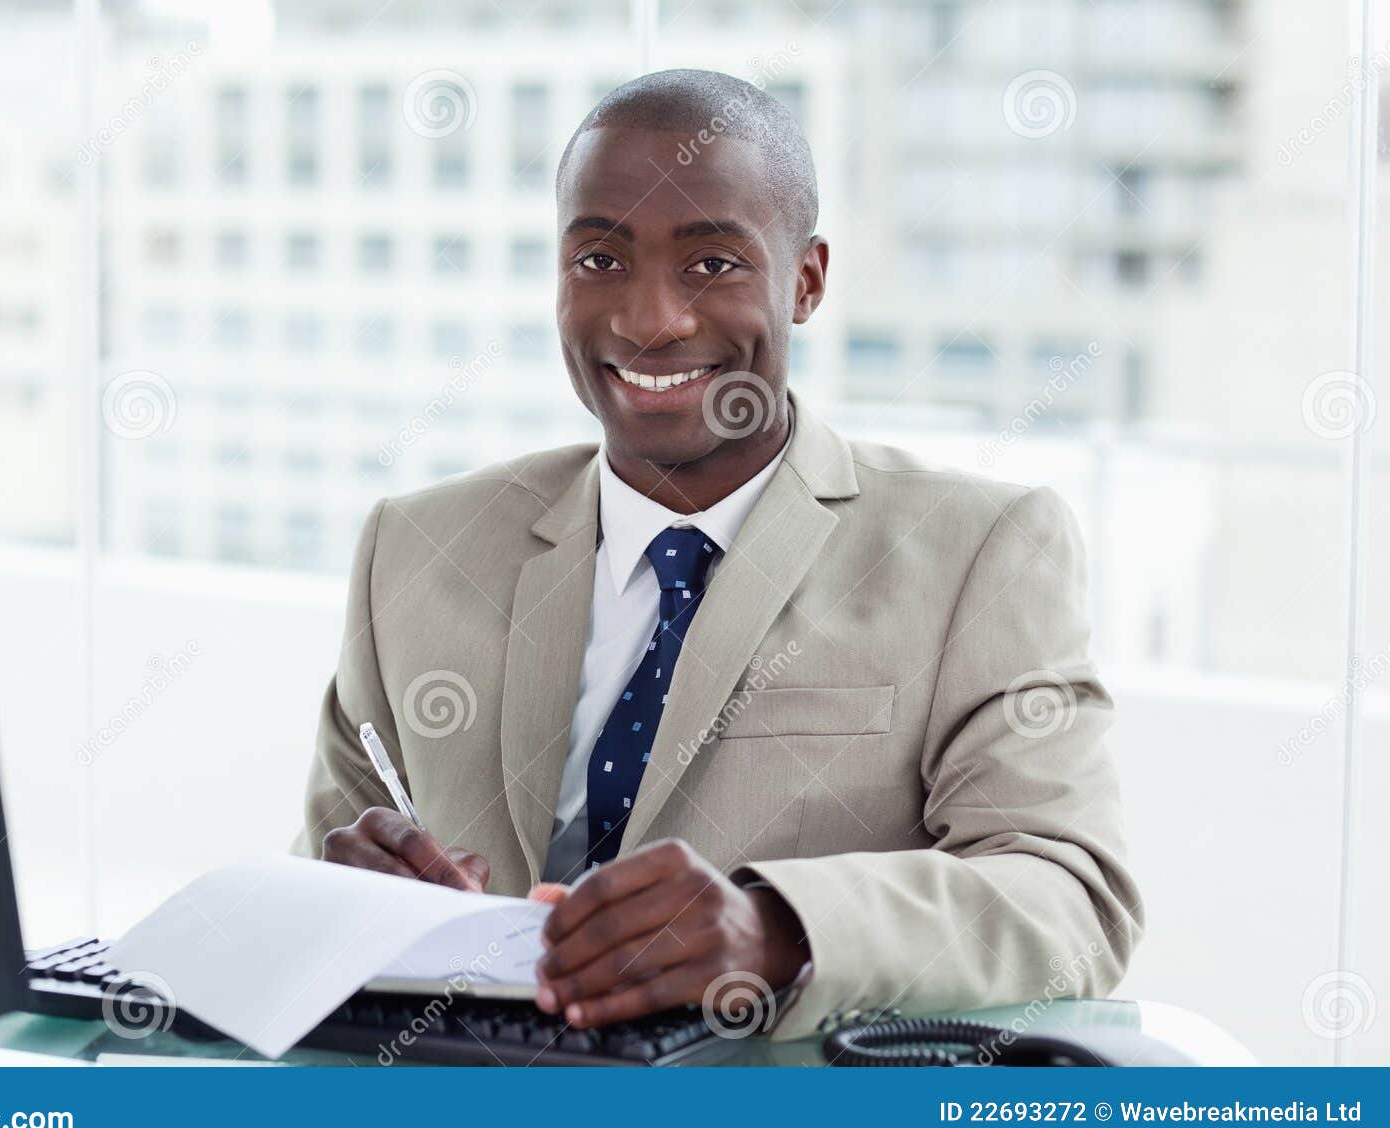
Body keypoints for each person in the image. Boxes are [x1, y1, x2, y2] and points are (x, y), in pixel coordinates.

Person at [293, 69, 1143, 1039]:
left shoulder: (978, 550)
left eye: (711, 265)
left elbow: (1071, 898)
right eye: (600, 261)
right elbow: (315, 867)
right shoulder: (415, 543)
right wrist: (346, 892)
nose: (650, 319)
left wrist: (773, 928)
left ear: (807, 280)